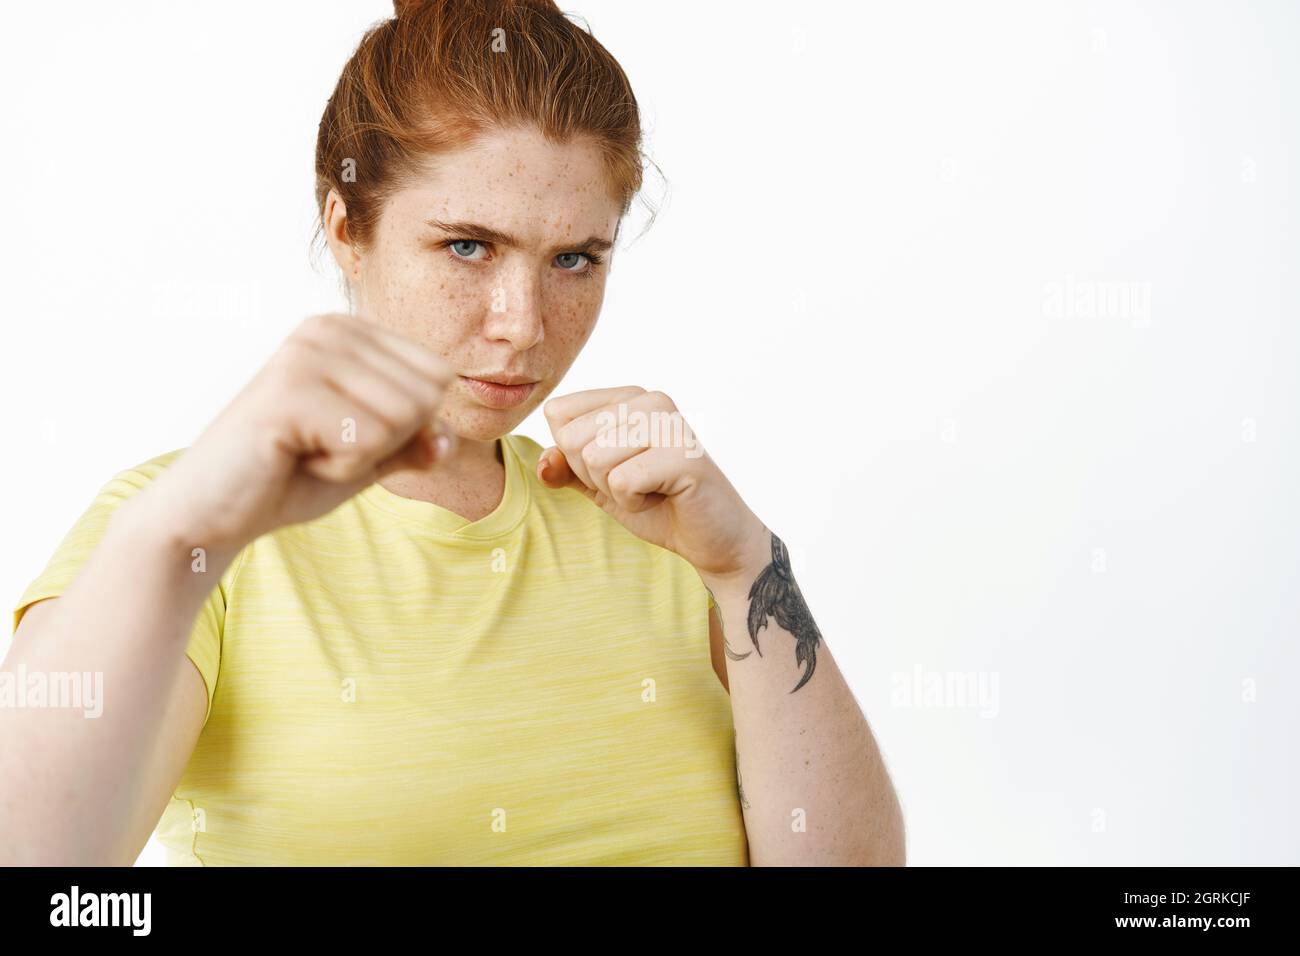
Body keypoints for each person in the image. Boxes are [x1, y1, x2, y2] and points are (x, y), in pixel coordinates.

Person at [1, 0, 904, 866]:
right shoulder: (189, 531)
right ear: (347, 227)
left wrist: (746, 563)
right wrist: (180, 533)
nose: (523, 324)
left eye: (574, 260)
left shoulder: (661, 528)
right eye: (467, 246)